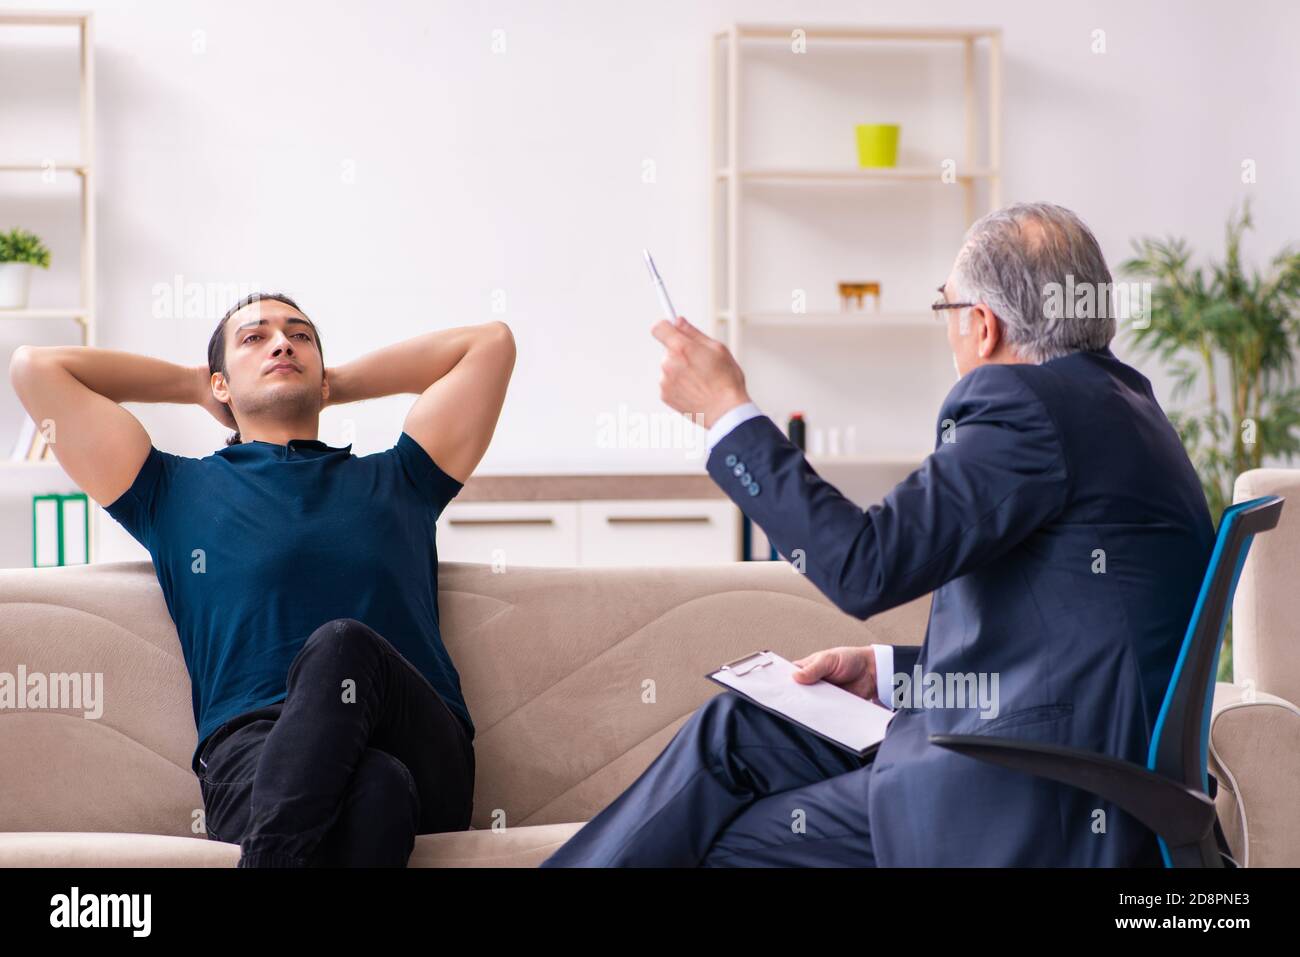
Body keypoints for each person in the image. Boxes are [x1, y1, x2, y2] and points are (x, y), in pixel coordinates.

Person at [540, 202, 1216, 867]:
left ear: (982, 325)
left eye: (946, 309)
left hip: (1031, 799)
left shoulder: (1027, 408)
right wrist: (886, 673)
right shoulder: (1127, 407)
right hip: (1062, 762)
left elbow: (862, 565)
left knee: (725, 841)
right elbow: (1062, 652)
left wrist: (724, 411)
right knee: (735, 731)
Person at [9, 292, 515, 867]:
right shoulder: (170, 493)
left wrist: (330, 380)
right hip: (254, 756)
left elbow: (489, 344)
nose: (282, 343)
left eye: (300, 337)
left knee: (342, 645)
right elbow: (37, 369)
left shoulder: (402, 479)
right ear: (220, 382)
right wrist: (195, 385)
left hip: (421, 743)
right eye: (255, 337)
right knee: (378, 787)